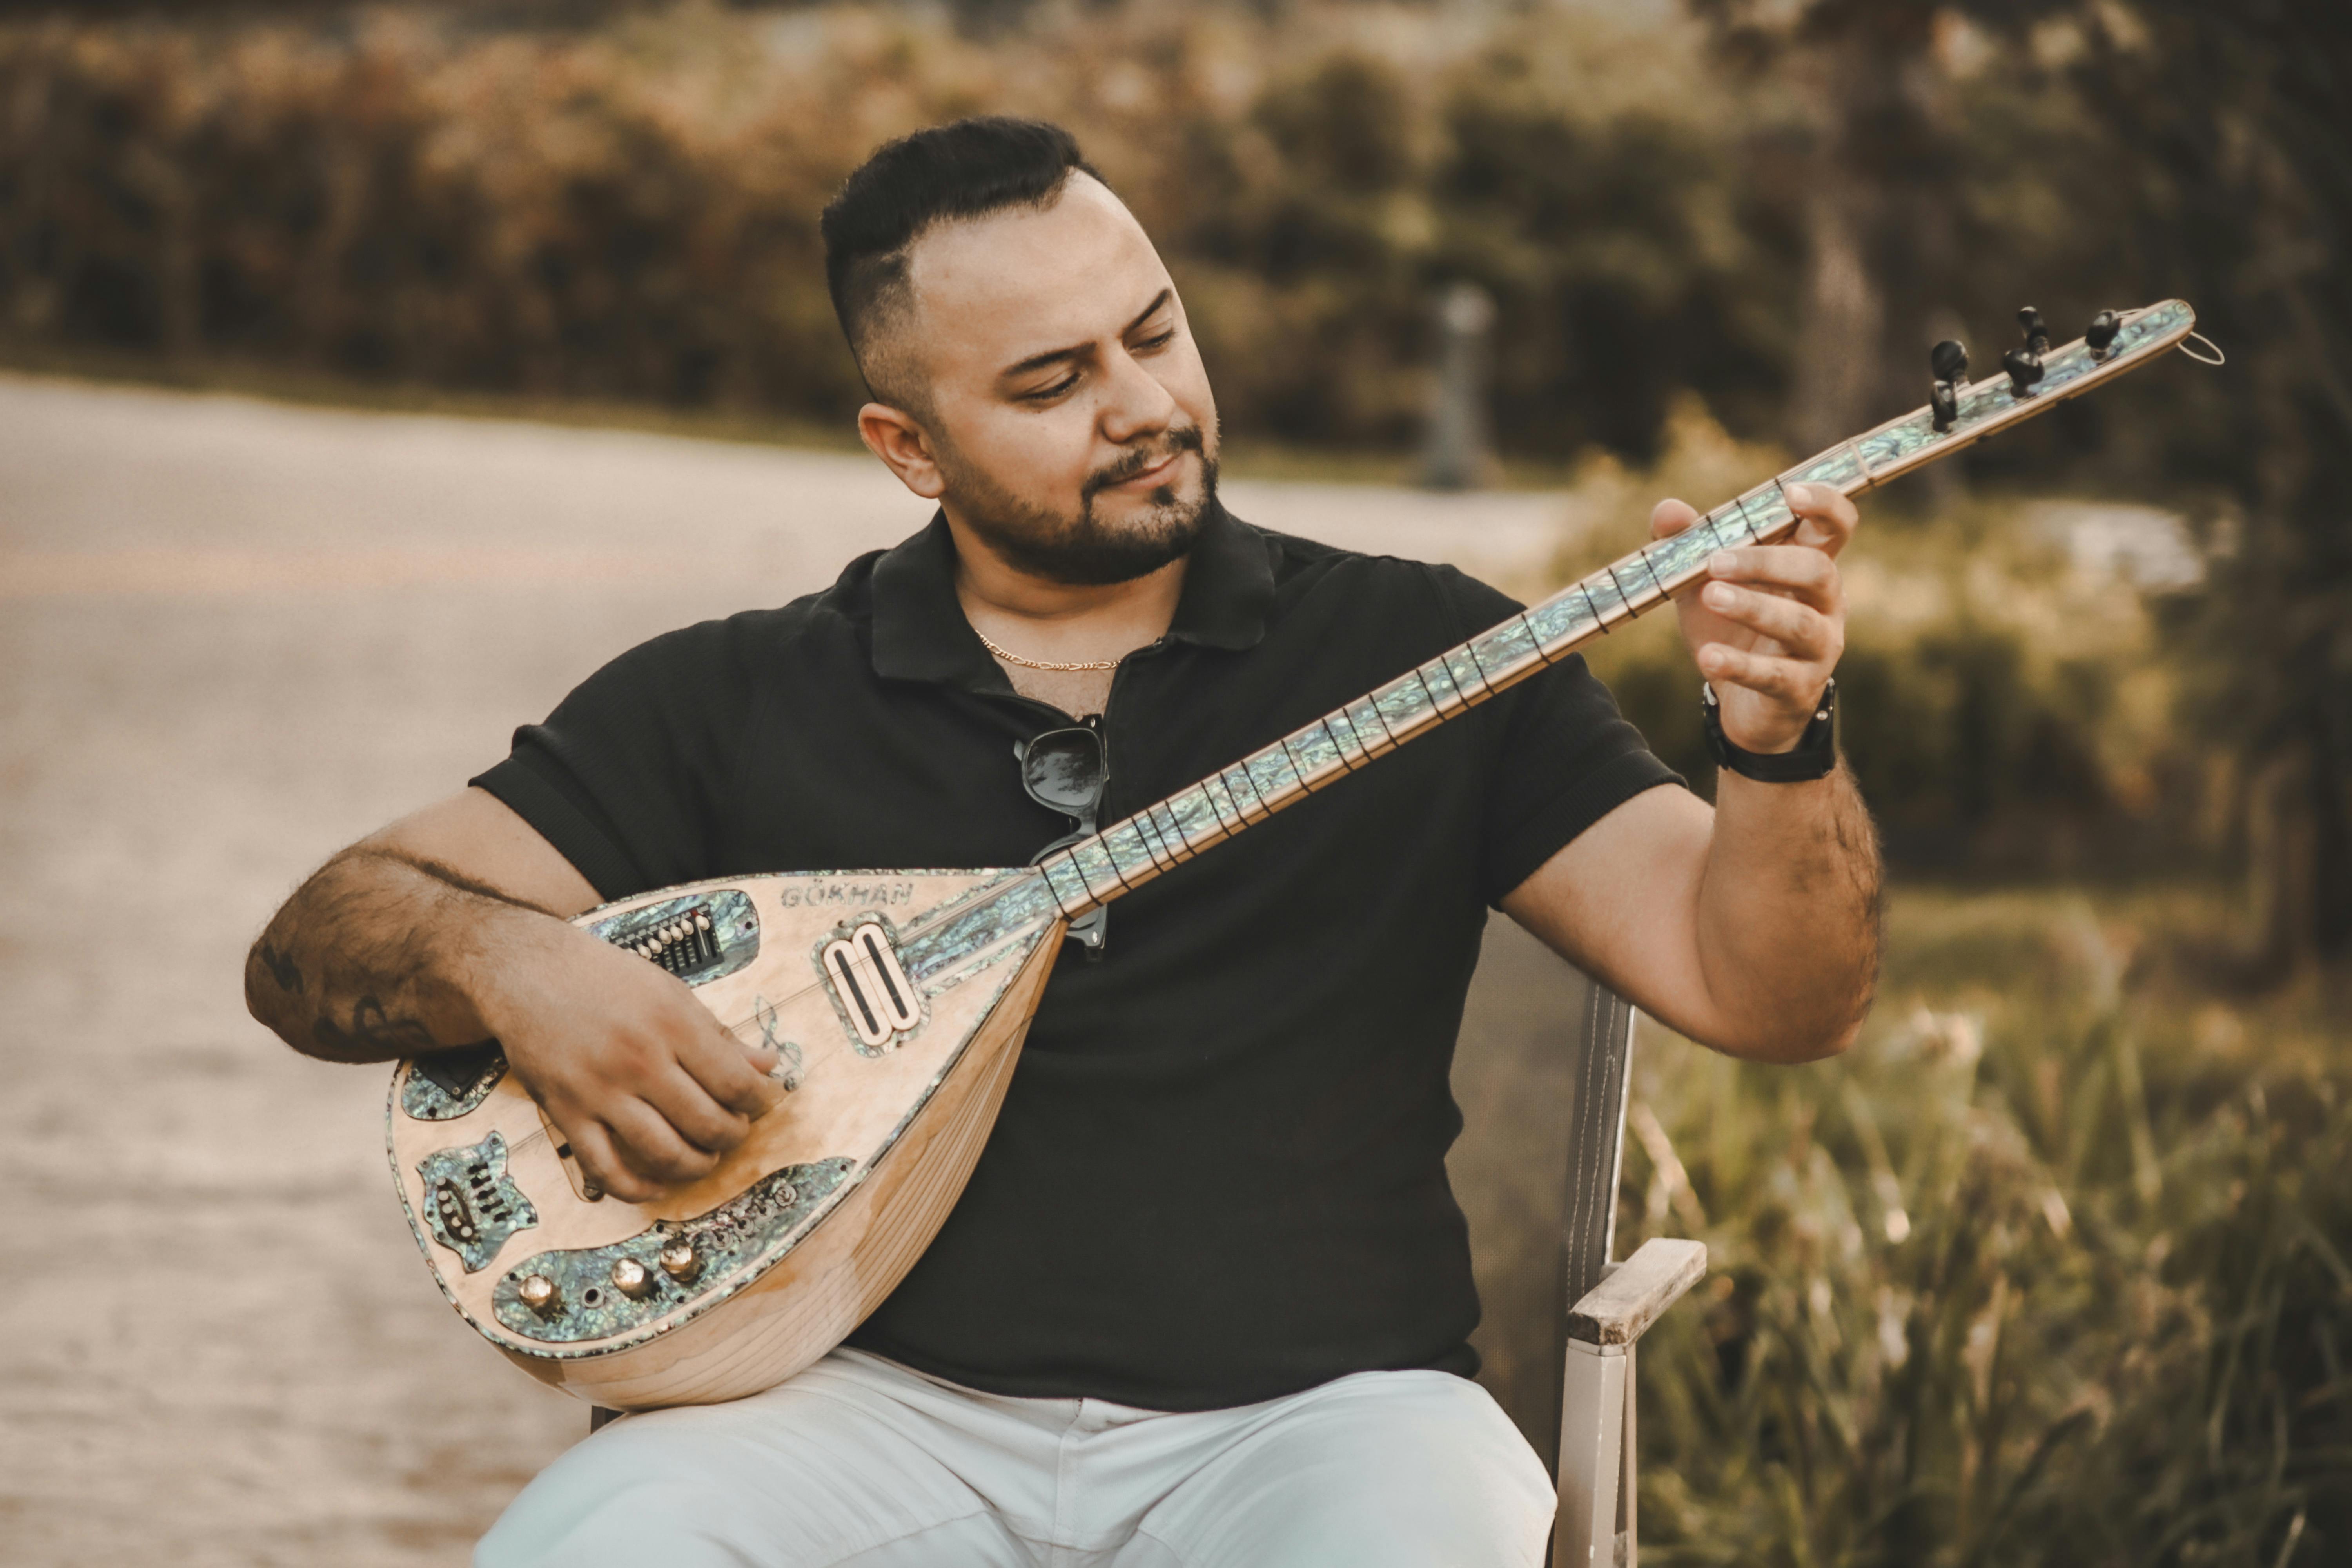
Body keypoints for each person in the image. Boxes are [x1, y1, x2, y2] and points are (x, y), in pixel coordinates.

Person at [245, 116, 1878, 1567]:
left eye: (1154, 334)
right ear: (908, 449)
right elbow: (324, 933)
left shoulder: (1420, 650)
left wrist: (1775, 735)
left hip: (1324, 1423)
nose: (1146, 407)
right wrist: (514, 963)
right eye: (1053, 383)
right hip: (851, 1413)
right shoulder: (734, 698)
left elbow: (1777, 998)